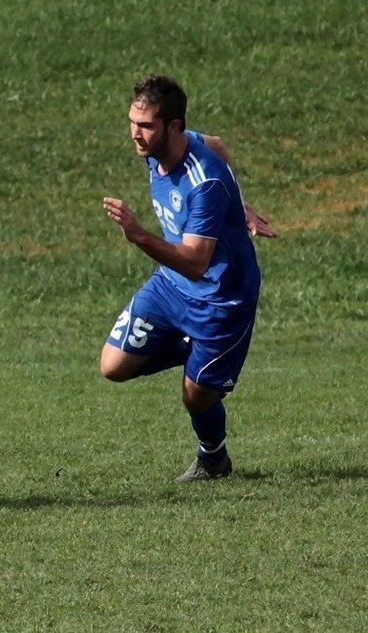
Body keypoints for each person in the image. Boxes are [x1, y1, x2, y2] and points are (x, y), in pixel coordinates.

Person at [100, 74, 264, 482]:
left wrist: (137, 234)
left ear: (172, 127)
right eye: (132, 122)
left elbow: (195, 262)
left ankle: (213, 458)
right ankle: (193, 350)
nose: (136, 135)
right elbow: (220, 143)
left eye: (146, 126)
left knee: (195, 396)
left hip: (220, 298)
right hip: (171, 285)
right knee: (113, 366)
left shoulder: (204, 181)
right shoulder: (166, 143)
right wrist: (240, 205)